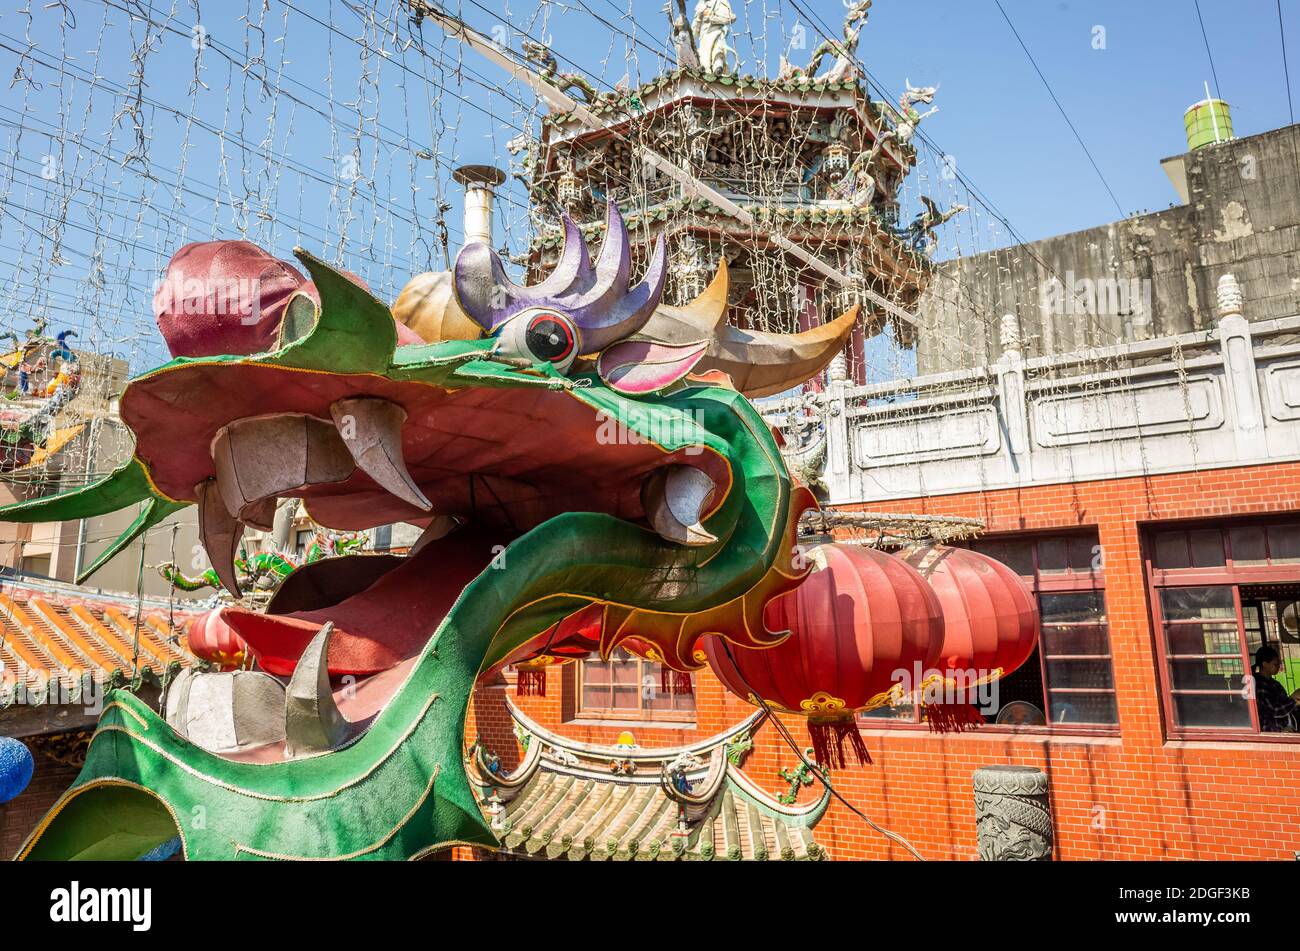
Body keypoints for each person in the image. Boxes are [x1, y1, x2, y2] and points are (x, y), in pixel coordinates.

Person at [1251, 644, 1300, 732]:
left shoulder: (1274, 683)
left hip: (1286, 723)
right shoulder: (1260, 686)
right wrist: (1294, 700)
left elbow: (1283, 702)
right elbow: (1275, 710)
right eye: (1275, 664)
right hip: (1274, 728)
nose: (1278, 666)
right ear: (1265, 664)